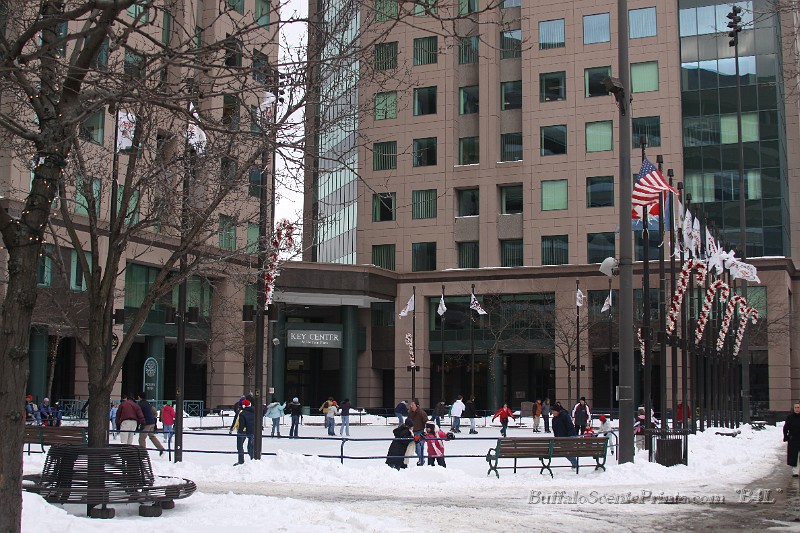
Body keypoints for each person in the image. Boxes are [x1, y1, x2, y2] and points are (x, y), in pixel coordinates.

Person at [551, 404, 578, 469]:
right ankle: (574, 464)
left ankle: (575, 464)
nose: (552, 413)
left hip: (568, 438)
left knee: (567, 451)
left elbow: (570, 427)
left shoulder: (564, 416)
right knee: (566, 452)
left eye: (553, 411)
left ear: (557, 411)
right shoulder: (554, 419)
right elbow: (555, 430)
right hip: (562, 438)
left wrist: (570, 437)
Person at [232, 396, 256, 465]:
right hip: (251, 431)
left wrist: (232, 429)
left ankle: (241, 460)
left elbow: (236, 421)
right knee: (250, 446)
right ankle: (253, 460)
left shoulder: (241, 412)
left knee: (240, 446)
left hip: (242, 431)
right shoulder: (254, 411)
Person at [407, 400, 428, 466]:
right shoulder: (410, 413)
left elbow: (426, 422)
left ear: (416, 405)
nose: (411, 406)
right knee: (415, 448)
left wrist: (426, 431)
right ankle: (421, 459)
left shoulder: (421, 413)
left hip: (419, 432)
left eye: (412, 405)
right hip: (412, 432)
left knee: (419, 447)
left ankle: (421, 460)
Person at [784, 403, 800, 477]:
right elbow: (785, 428)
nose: (797, 409)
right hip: (793, 439)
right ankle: (795, 472)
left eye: (798, 407)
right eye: (795, 407)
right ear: (793, 408)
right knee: (794, 456)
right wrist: (786, 436)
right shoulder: (790, 417)